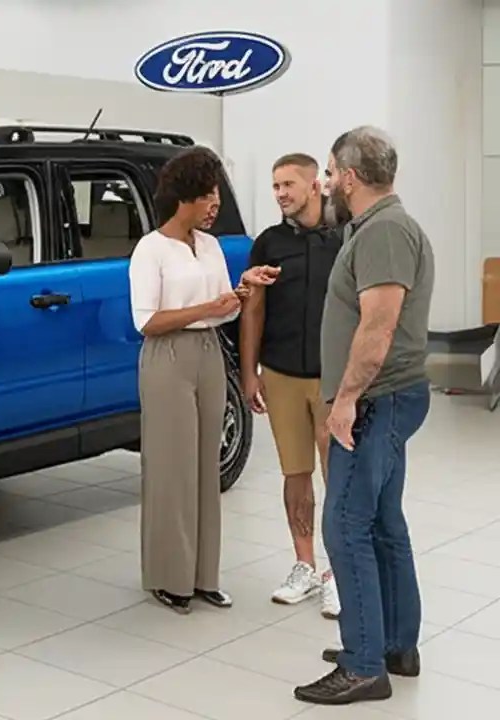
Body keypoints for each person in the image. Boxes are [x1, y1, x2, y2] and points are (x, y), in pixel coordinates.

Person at [294, 126, 435, 705]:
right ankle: (395, 645)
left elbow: (378, 326)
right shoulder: (382, 228)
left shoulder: (383, 232)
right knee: (381, 522)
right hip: (389, 396)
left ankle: (363, 664)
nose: (324, 182)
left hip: (377, 399)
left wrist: (346, 399)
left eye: (329, 172)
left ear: (350, 177)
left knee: (345, 525)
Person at [129, 147, 277, 614]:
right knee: (172, 467)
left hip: (210, 354)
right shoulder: (150, 249)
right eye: (209, 196)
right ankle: (168, 576)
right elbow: (147, 320)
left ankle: (203, 575)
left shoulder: (210, 245)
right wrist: (206, 310)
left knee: (206, 467)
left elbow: (224, 303)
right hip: (167, 356)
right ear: (186, 196)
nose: (216, 205)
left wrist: (243, 288)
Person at [240, 153, 344, 617]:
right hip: (280, 373)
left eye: (288, 184)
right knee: (295, 474)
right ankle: (304, 565)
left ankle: (338, 572)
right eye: (275, 185)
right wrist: (248, 371)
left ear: (316, 185)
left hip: (331, 378)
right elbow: (254, 309)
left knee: (336, 476)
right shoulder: (269, 243)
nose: (280, 193)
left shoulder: (345, 238)